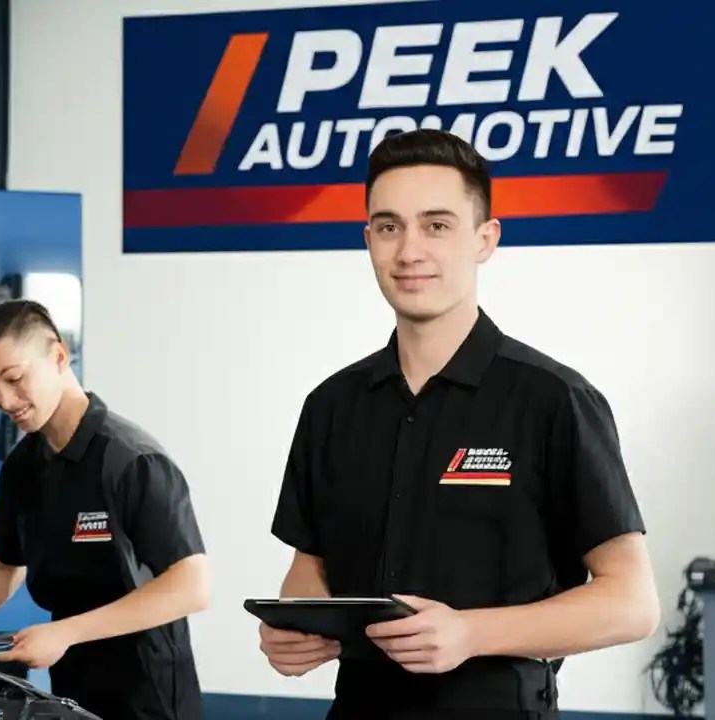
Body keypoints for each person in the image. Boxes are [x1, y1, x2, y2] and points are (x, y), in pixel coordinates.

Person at [258, 129, 660, 719]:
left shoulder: (554, 399)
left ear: (484, 239)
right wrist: (294, 625)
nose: (409, 250)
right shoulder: (332, 406)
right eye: (390, 227)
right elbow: (310, 568)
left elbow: (632, 603)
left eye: (437, 225)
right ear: (368, 239)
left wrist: (472, 633)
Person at [0, 298, 211, 720]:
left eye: (14, 378)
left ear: (59, 356)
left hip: (147, 691)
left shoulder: (131, 461)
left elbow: (192, 586)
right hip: (71, 684)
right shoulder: (23, 465)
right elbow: (9, 565)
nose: (4, 401)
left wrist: (66, 632)